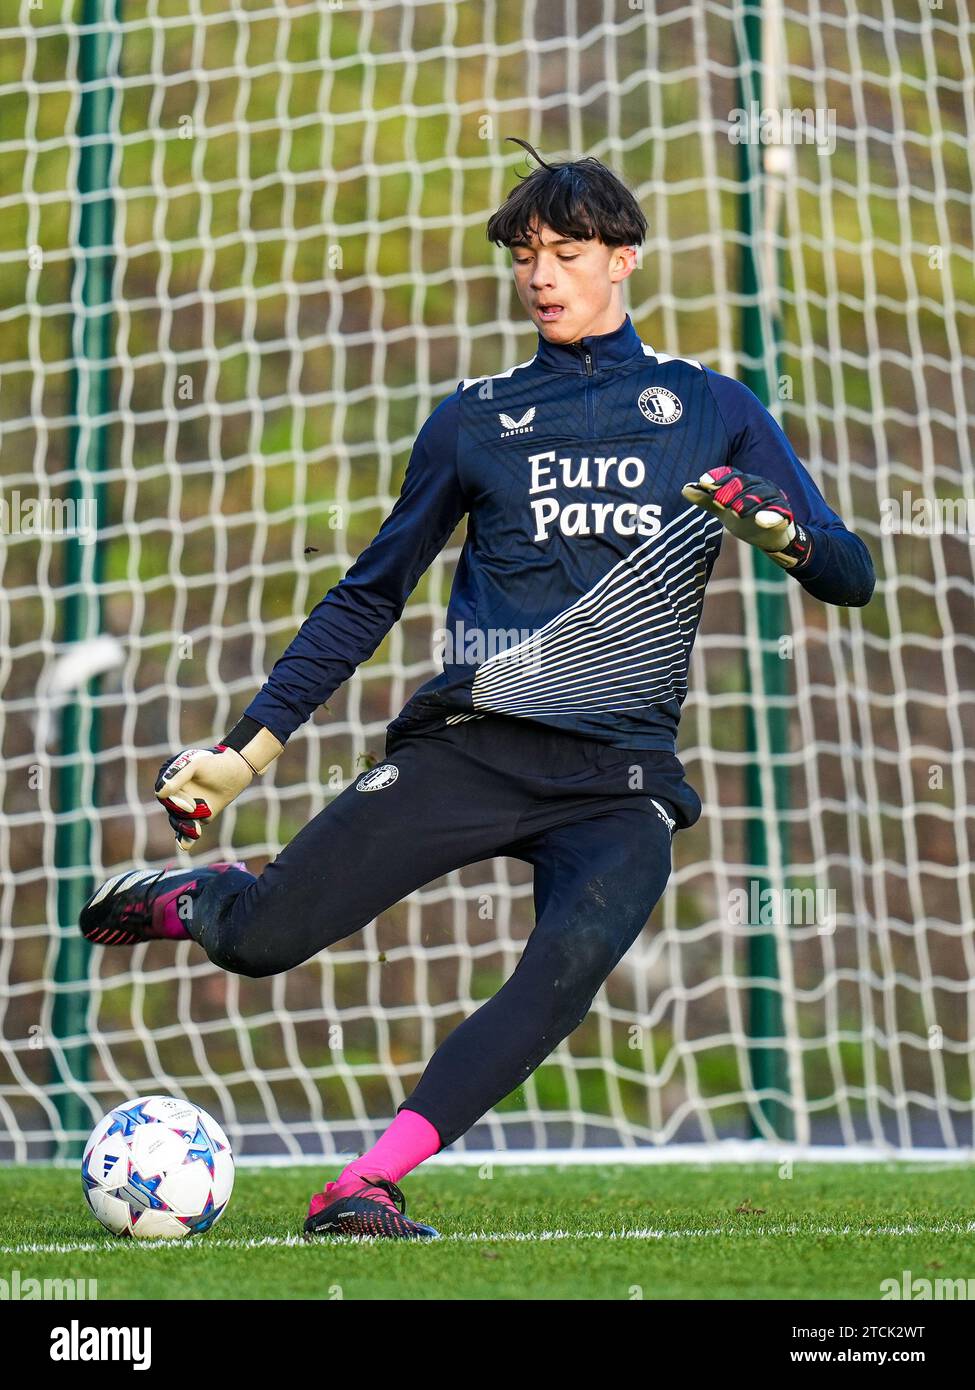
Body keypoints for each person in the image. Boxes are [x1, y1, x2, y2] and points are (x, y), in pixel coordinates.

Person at [80, 139, 875, 1239]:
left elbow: (853, 574)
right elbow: (368, 595)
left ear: (626, 259)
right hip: (473, 744)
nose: (542, 275)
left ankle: (363, 1182)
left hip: (618, 778)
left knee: (564, 973)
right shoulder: (475, 418)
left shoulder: (713, 409)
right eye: (526, 254)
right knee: (264, 941)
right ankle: (200, 897)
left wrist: (778, 530)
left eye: (569, 250)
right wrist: (247, 749)